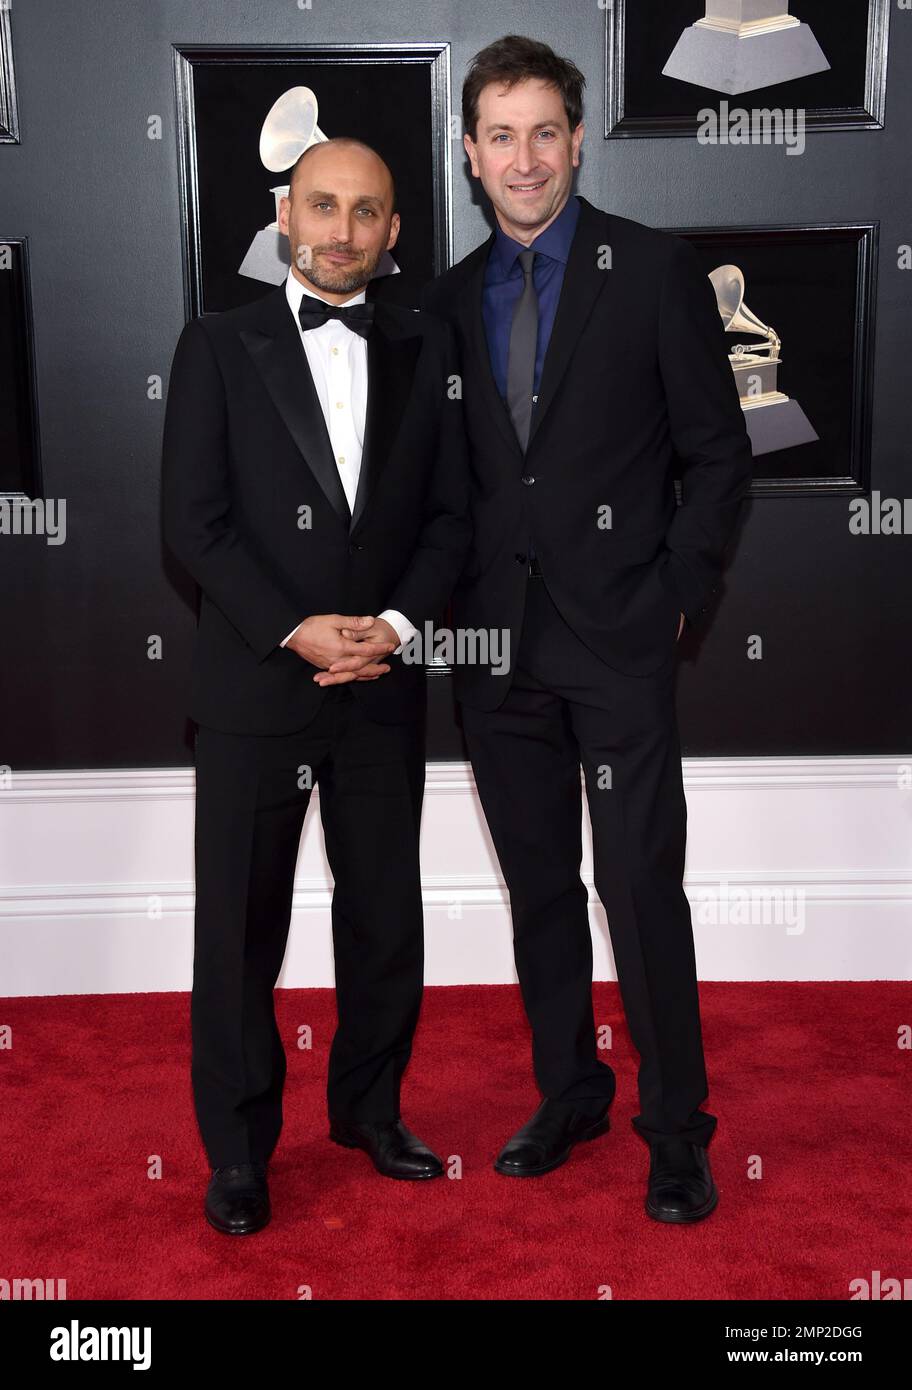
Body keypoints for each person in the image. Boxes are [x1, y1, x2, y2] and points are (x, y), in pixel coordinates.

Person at [421, 35, 753, 1222]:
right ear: (470, 152)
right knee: (542, 891)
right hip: (494, 650)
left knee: (638, 885)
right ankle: (572, 1091)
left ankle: (677, 1127)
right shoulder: (448, 302)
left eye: (544, 132)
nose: (524, 158)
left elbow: (719, 458)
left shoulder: (654, 270)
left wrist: (673, 595)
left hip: (616, 639)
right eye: (499, 135)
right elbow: (449, 487)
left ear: (576, 138)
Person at [162, 137, 470, 1235]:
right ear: (288, 215)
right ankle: (240, 1153)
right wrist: (296, 630)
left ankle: (371, 1113)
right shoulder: (216, 344)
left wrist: (386, 628)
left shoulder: (429, 346)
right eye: (324, 206)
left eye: (368, 212)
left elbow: (451, 519)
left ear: (394, 232)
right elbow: (192, 524)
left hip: (381, 685)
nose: (342, 230)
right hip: (255, 687)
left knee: (384, 915)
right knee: (240, 928)